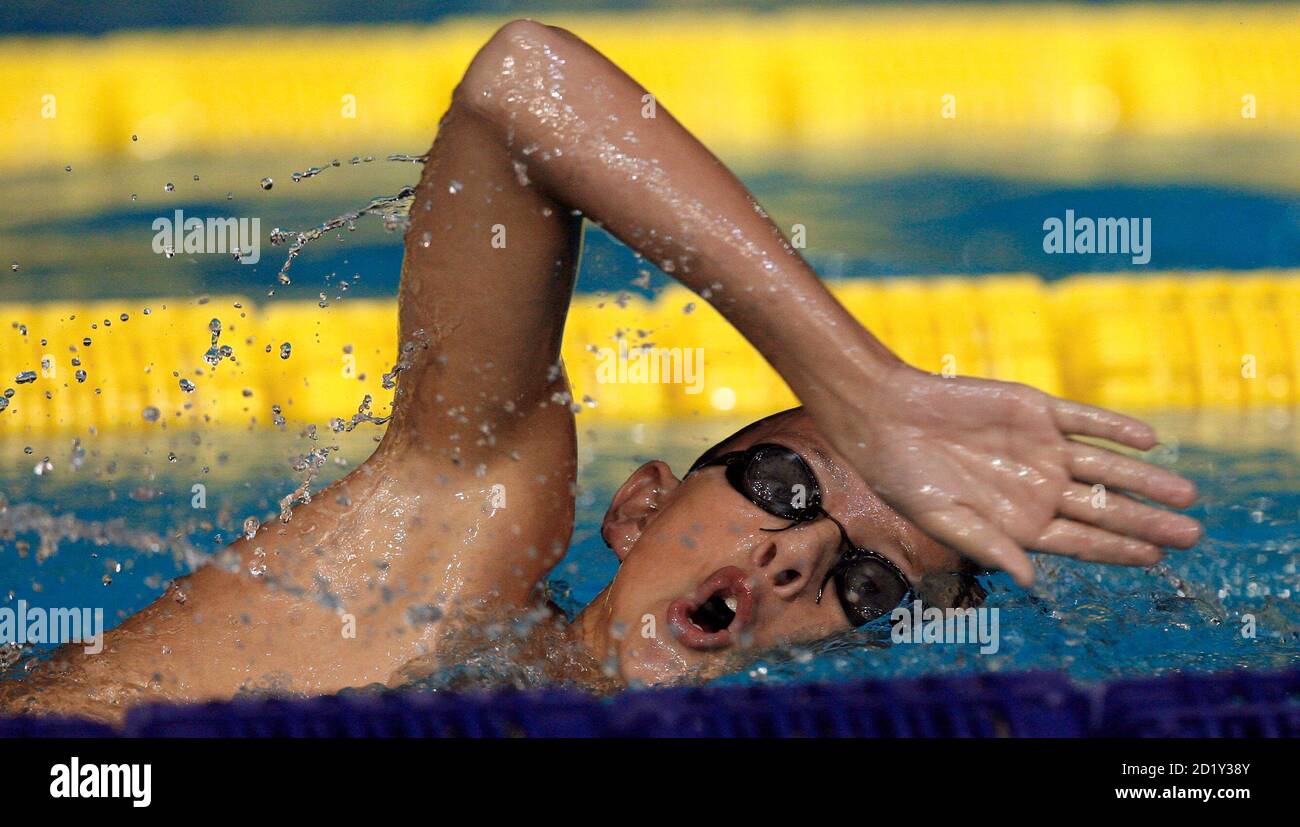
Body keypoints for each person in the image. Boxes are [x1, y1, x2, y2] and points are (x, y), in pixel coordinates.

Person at [0, 20, 1201, 721]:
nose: (796, 552)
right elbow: (521, 82)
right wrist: (863, 393)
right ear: (636, 507)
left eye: (871, 583)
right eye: (784, 484)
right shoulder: (443, 560)